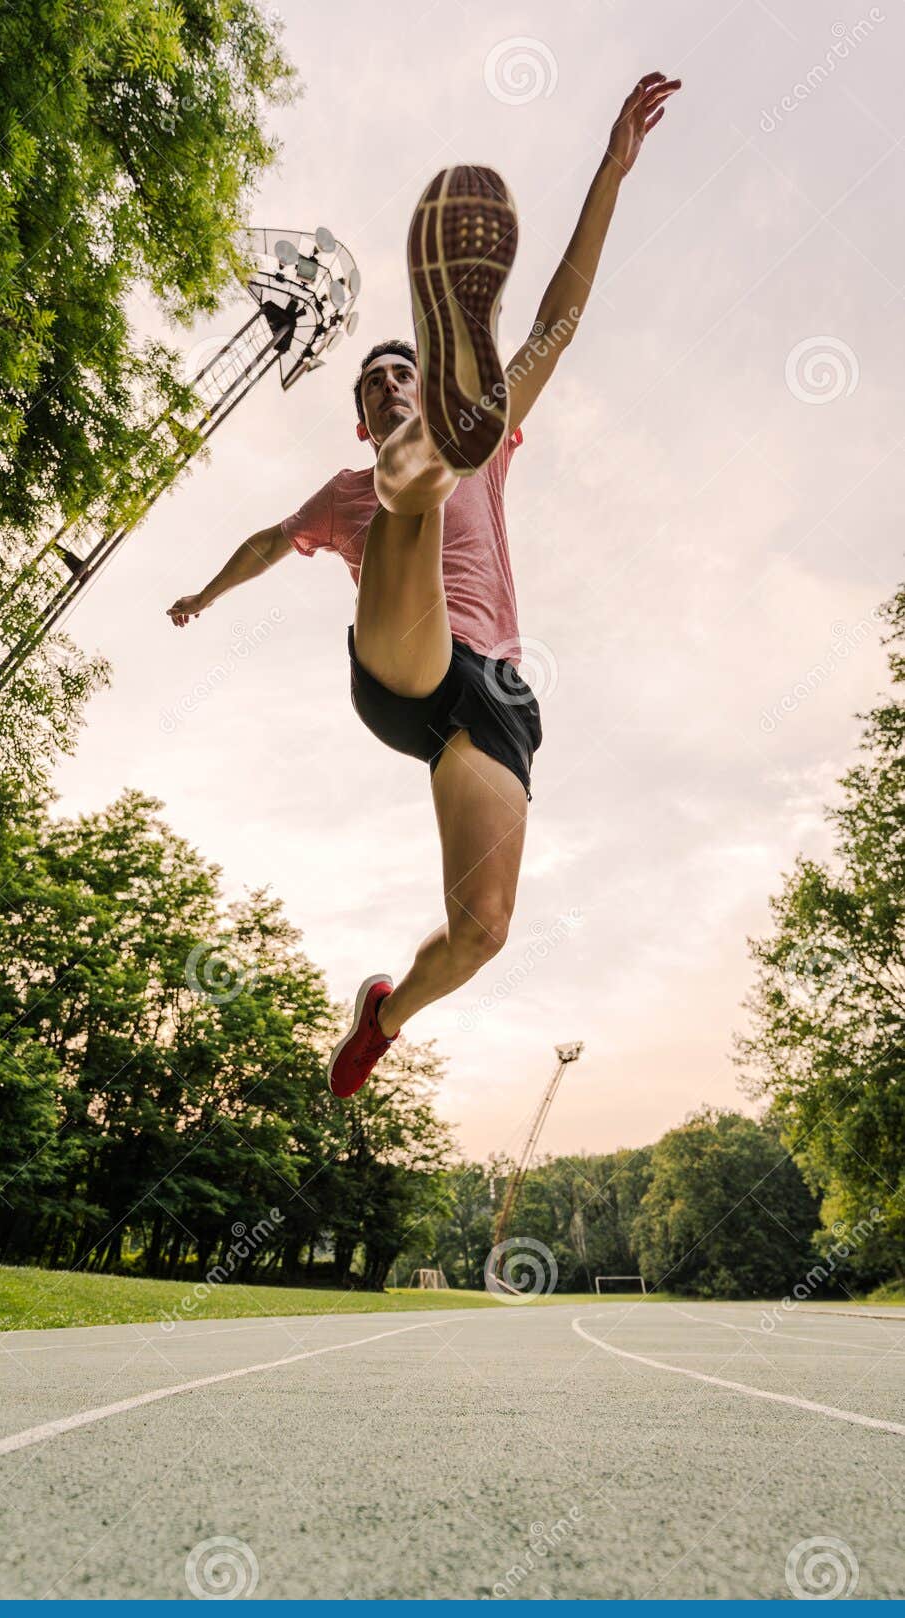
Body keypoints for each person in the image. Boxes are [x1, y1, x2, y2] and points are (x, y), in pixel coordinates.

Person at [168, 72, 681, 1097]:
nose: (389, 383)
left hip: (490, 698)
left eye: (405, 373)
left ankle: (383, 1017)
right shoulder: (347, 487)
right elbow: (273, 541)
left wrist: (611, 171)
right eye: (377, 387)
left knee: (484, 933)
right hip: (399, 662)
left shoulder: (488, 442)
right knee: (410, 496)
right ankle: (419, 472)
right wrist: (205, 597)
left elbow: (558, 323)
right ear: (362, 421)